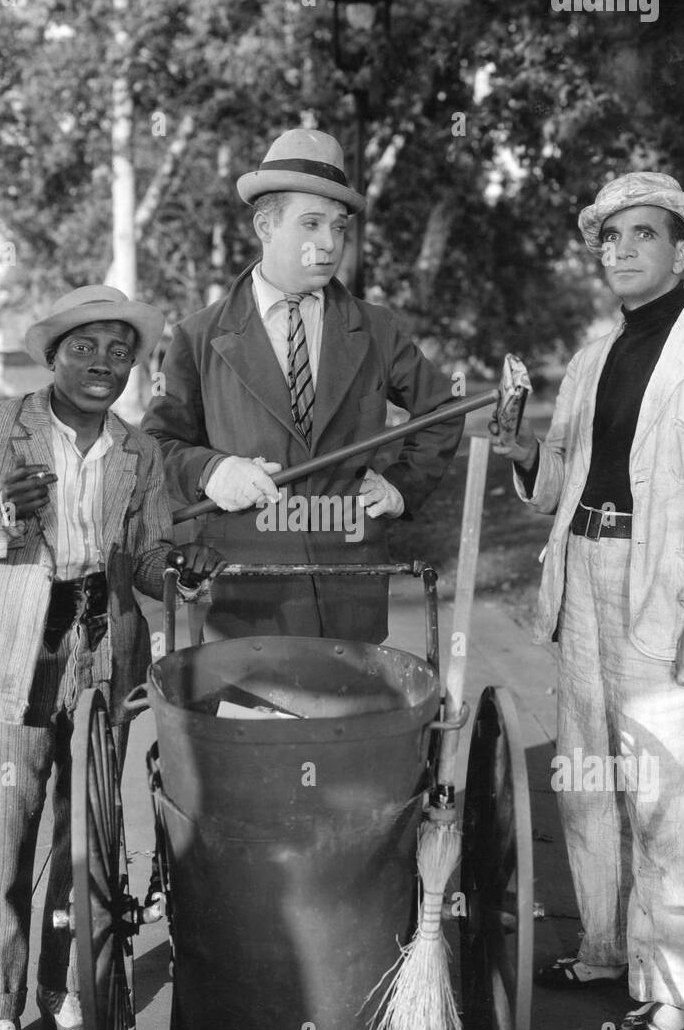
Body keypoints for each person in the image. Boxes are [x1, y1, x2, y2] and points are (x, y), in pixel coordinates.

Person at [490, 172, 684, 1030]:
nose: (619, 251)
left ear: (680, 247)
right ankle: (607, 946)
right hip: (585, 575)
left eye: (640, 235)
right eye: (608, 238)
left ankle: (676, 984)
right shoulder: (590, 358)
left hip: (672, 592)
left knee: (668, 793)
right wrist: (520, 450)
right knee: (588, 782)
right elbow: (557, 487)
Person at [0, 285, 224, 1030]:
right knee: (5, 834)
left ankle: (62, 988)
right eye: (85, 348)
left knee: (86, 831)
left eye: (120, 352)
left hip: (101, 646)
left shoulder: (136, 451)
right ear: (52, 356)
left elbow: (148, 559)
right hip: (16, 643)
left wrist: (183, 567)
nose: (103, 365)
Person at [142, 128, 463, 643]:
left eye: (340, 227)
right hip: (243, 597)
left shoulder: (374, 328)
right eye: (311, 223)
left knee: (348, 720)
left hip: (349, 587)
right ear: (265, 225)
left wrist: (402, 485)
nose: (330, 243)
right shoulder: (198, 336)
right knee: (250, 720)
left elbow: (443, 410)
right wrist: (212, 470)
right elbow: (156, 444)